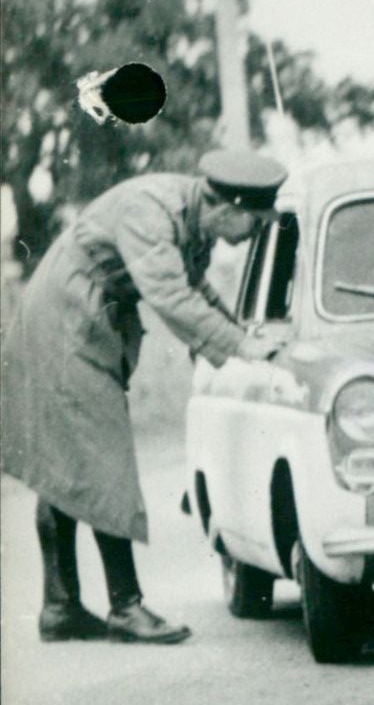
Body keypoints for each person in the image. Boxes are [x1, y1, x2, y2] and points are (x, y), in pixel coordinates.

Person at [1, 150, 287, 644]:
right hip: (66, 317)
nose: (255, 235)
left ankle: (60, 605)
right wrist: (241, 346)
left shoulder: (192, 213)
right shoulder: (151, 211)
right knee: (101, 455)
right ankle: (126, 607)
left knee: (65, 460)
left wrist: (242, 334)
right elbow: (171, 298)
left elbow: (193, 288)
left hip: (81, 313)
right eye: (256, 224)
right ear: (228, 207)